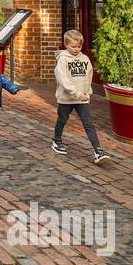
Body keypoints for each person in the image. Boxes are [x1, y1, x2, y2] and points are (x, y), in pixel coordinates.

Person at [52, 29, 109, 164]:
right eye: (73, 46)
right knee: (62, 120)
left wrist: (86, 92)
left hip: (81, 99)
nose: (77, 49)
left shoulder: (85, 59)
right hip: (66, 98)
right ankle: (57, 140)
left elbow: (88, 75)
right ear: (66, 44)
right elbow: (63, 80)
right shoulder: (62, 60)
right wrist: (76, 93)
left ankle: (98, 151)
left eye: (79, 46)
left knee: (88, 124)